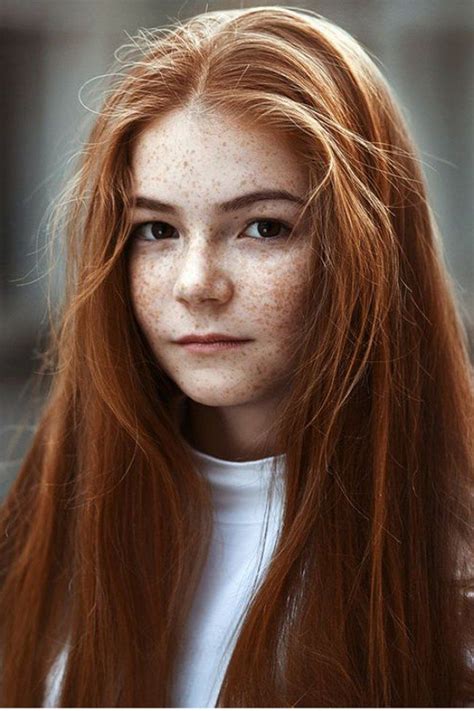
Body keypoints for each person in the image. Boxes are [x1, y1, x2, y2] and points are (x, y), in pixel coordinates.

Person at [0, 5, 472, 707]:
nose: (196, 285)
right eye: (157, 229)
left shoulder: (451, 576)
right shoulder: (42, 535)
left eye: (262, 226)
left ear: (367, 250)